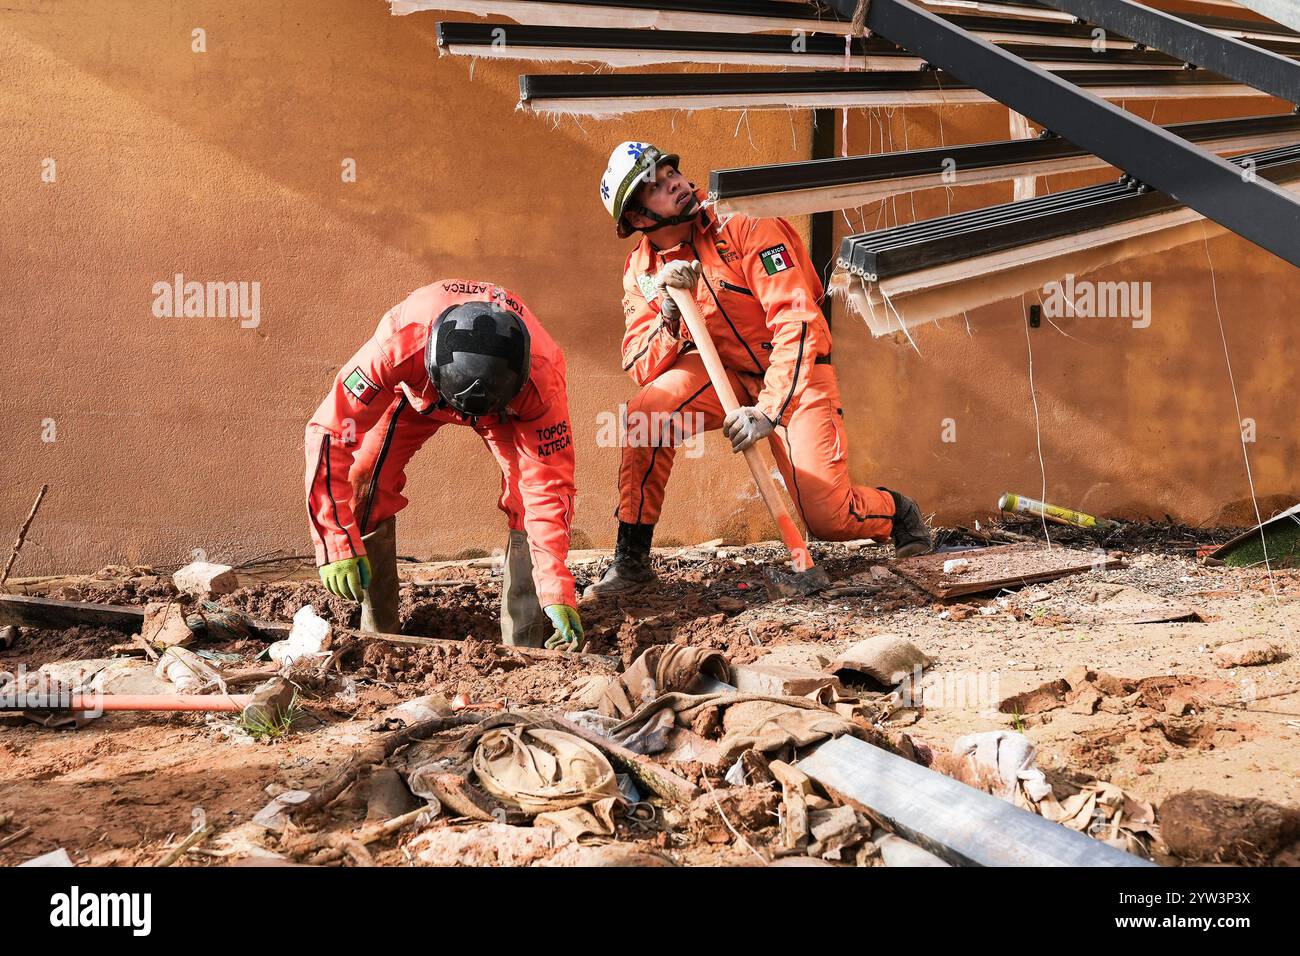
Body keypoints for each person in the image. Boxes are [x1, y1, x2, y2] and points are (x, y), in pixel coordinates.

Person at [587, 142, 932, 597]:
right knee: (647, 413)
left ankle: (899, 514)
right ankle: (631, 562)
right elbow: (638, 362)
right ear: (636, 219)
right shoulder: (641, 271)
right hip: (724, 373)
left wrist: (768, 410)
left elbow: (798, 321)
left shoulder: (745, 221)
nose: (673, 182)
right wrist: (670, 319)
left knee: (828, 519)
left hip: (794, 374)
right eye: (654, 185)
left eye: (671, 170)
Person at [304, 279, 583, 650]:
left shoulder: (540, 380)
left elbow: (548, 489)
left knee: (524, 500)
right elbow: (329, 433)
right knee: (366, 481)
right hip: (417, 393)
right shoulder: (398, 345)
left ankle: (525, 642)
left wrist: (558, 592)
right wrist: (335, 540)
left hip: (502, 413)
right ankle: (380, 635)